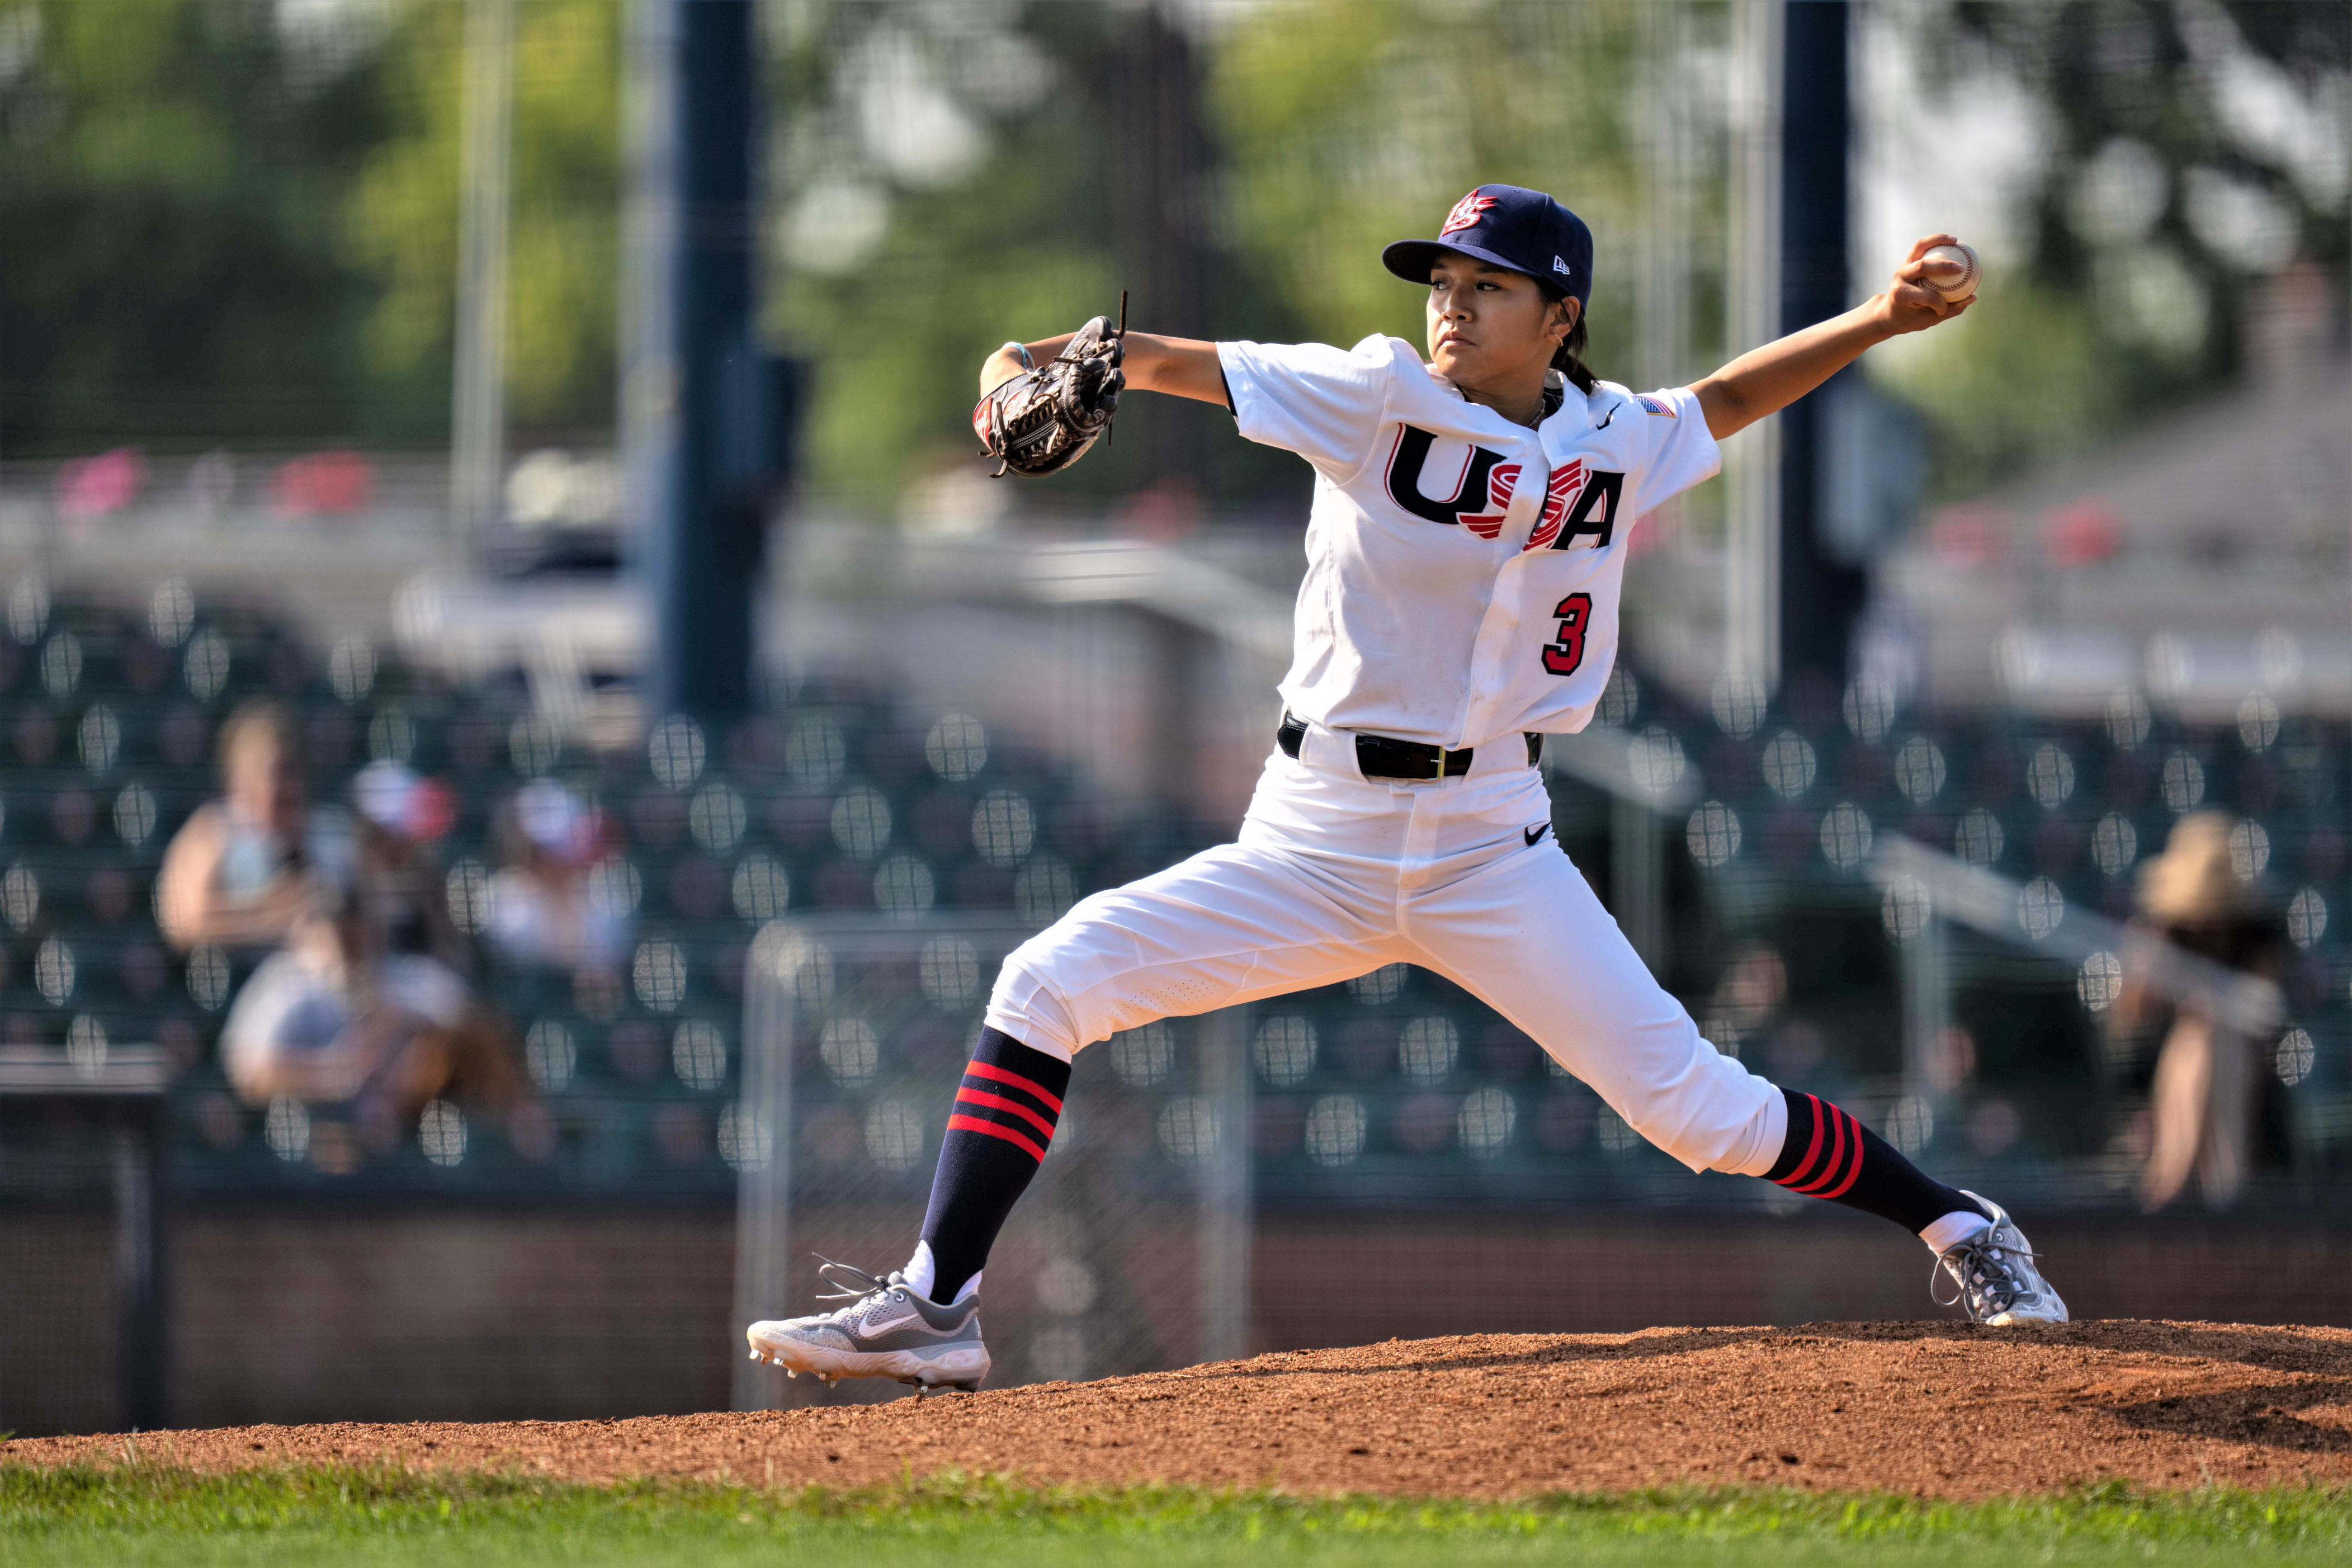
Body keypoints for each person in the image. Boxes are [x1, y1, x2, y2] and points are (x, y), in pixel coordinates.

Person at [747, 185, 2065, 1393]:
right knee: (1046, 981)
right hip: (1314, 836)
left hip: (1494, 844)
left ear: (1560, 316)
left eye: (1486, 284)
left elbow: (1719, 399)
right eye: (1439, 278)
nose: (1448, 301)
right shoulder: (1367, 394)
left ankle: (1959, 1221)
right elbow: (1124, 359)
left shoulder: (1613, 436)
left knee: (1698, 1112)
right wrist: (1016, 371)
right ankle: (937, 1302)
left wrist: (1880, 318)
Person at [2112, 811, 2291, 1212]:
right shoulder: (2164, 932)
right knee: (2199, 1040)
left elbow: (2266, 1017)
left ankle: (2182, 1181)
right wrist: (2153, 964)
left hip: (2249, 1078)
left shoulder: (2258, 936)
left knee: (2215, 1038)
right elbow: (2128, 1023)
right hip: (2161, 1077)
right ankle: (2212, 1186)